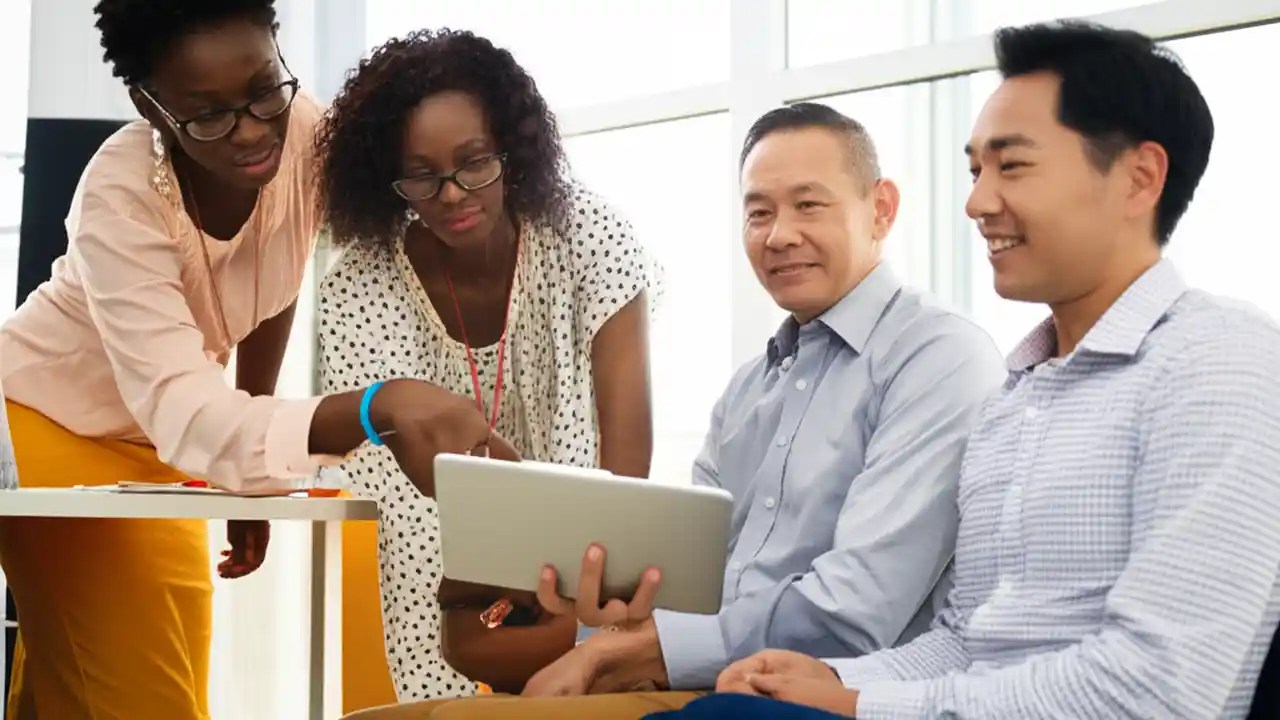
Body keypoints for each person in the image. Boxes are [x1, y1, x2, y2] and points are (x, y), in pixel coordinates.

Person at [686, 20, 1280, 720]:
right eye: (975, 172)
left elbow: (1155, 690)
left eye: (1013, 166)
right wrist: (829, 676)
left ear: (1138, 179)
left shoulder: (1220, 363)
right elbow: (968, 642)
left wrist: (864, 703)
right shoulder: (1015, 398)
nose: (976, 203)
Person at [348, 101, 1008, 719]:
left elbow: (854, 610)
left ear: (881, 209)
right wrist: (598, 606)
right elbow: (691, 583)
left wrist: (620, 653)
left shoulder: (937, 357)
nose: (780, 235)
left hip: (815, 694)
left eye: (808, 205)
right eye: (758, 213)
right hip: (696, 681)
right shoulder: (749, 390)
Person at [0, 4, 521, 719]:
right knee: (146, 696)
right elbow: (189, 414)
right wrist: (375, 408)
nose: (250, 130)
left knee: (112, 677)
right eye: (209, 115)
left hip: (157, 444)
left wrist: (250, 476)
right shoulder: (118, 197)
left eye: (262, 90)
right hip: (45, 420)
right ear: (150, 107)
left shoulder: (304, 131)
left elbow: (275, 272)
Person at [312, 28, 659, 701]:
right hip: (440, 574)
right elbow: (407, 495)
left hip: (584, 560)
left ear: (511, 150)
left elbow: (625, 463)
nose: (451, 194)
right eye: (421, 174)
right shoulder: (359, 287)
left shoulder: (591, 238)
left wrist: (588, 587)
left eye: (474, 163)